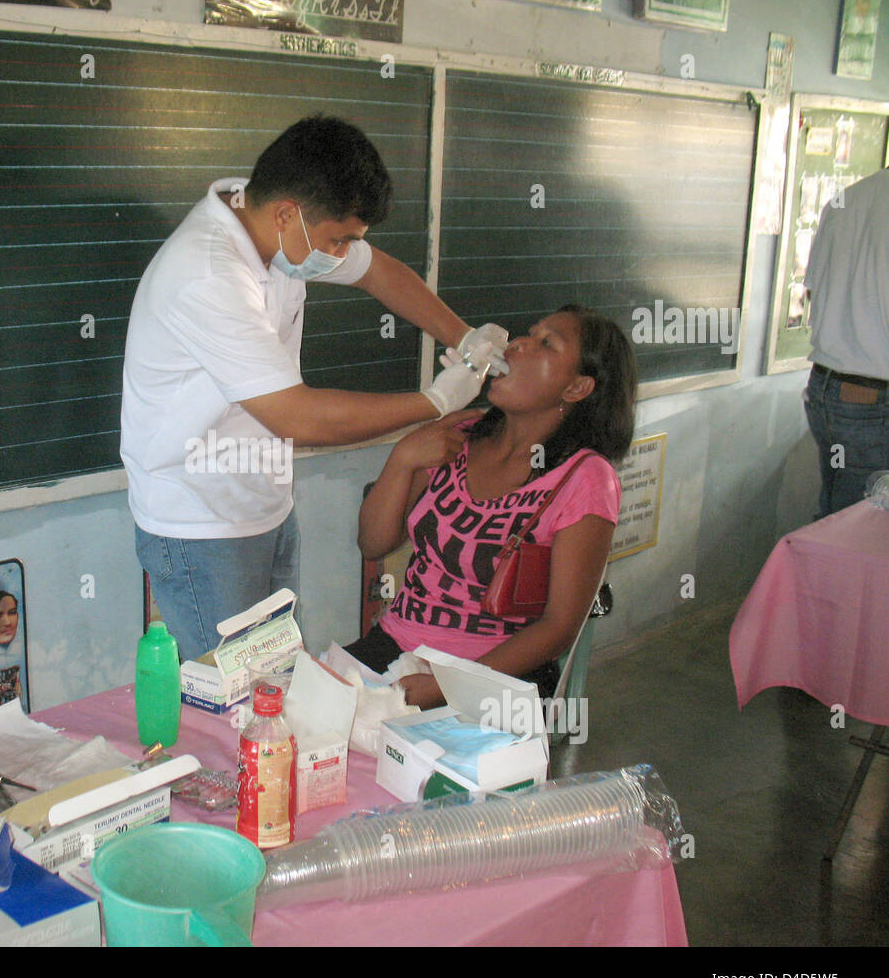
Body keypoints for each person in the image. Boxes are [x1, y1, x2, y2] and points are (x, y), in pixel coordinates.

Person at [121, 115, 508, 661]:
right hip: (198, 523)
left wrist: (463, 337)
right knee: (235, 698)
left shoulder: (277, 229)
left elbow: (380, 273)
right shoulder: (208, 273)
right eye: (339, 240)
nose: (343, 252)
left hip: (263, 502)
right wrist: (435, 401)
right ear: (287, 216)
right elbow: (298, 417)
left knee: (275, 679)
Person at [347, 305, 636, 709]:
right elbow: (372, 543)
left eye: (545, 344)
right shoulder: (458, 434)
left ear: (576, 388)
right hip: (396, 647)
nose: (517, 344)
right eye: (528, 333)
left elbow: (558, 628)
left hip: (492, 679)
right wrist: (403, 457)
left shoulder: (585, 478)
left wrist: (448, 687)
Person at [803, 166, 889, 518]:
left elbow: (810, 292)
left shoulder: (847, 198)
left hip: (829, 389)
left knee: (838, 523)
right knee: (864, 533)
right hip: (873, 396)